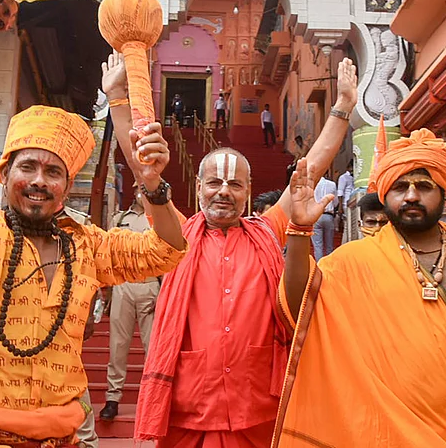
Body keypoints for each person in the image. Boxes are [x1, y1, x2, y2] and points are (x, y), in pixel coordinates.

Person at [0, 0, 187, 446]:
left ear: (66, 183)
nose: (38, 181)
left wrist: (152, 184)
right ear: (5, 174)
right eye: (27, 167)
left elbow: (168, 247)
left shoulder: (89, 246)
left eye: (53, 171)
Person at [136, 58, 357, 448]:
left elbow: (312, 168)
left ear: (249, 191)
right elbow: (146, 178)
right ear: (199, 187)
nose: (223, 191)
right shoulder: (177, 237)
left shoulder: (267, 231)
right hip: (193, 405)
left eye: (235, 185)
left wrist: (341, 107)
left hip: (257, 405)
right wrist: (122, 99)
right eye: (214, 183)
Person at [274, 135, 446, 447]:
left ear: (443, 193)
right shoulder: (354, 261)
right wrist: (298, 232)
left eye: (424, 186)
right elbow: (301, 309)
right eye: (399, 187)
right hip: (384, 431)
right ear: (385, 195)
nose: (411, 196)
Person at [98, 191, 161, 421]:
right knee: (118, 345)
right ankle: (112, 399)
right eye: (137, 187)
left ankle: (154, 400)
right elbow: (108, 252)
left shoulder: (159, 218)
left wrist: (162, 292)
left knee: (152, 347)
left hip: (150, 285)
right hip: (123, 284)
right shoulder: (119, 219)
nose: (139, 192)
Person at [312, 174, 338, 260]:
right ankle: (329, 265)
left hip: (316, 216)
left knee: (317, 246)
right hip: (328, 215)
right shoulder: (332, 184)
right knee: (329, 245)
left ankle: (319, 266)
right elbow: (336, 202)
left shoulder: (312, 184)